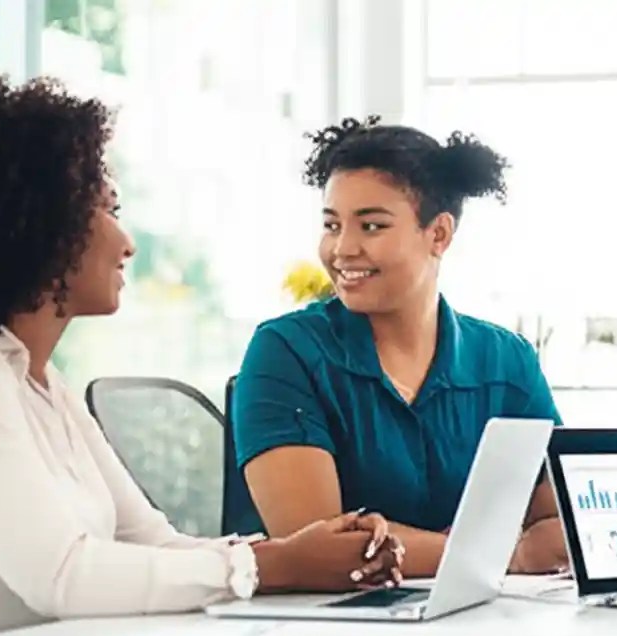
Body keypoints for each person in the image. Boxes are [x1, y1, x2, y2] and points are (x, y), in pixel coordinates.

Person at [0, 76, 403, 636]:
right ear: (40, 222)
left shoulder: (36, 380)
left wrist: (299, 553)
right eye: (109, 209)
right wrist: (274, 566)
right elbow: (63, 576)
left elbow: (150, 542)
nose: (127, 242)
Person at [233, 117, 566, 578]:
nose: (342, 248)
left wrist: (491, 551)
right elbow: (322, 547)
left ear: (439, 234)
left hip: (477, 624)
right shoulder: (286, 352)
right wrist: (501, 556)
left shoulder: (508, 361)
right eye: (332, 225)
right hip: (319, 631)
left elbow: (559, 522)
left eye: (371, 226)